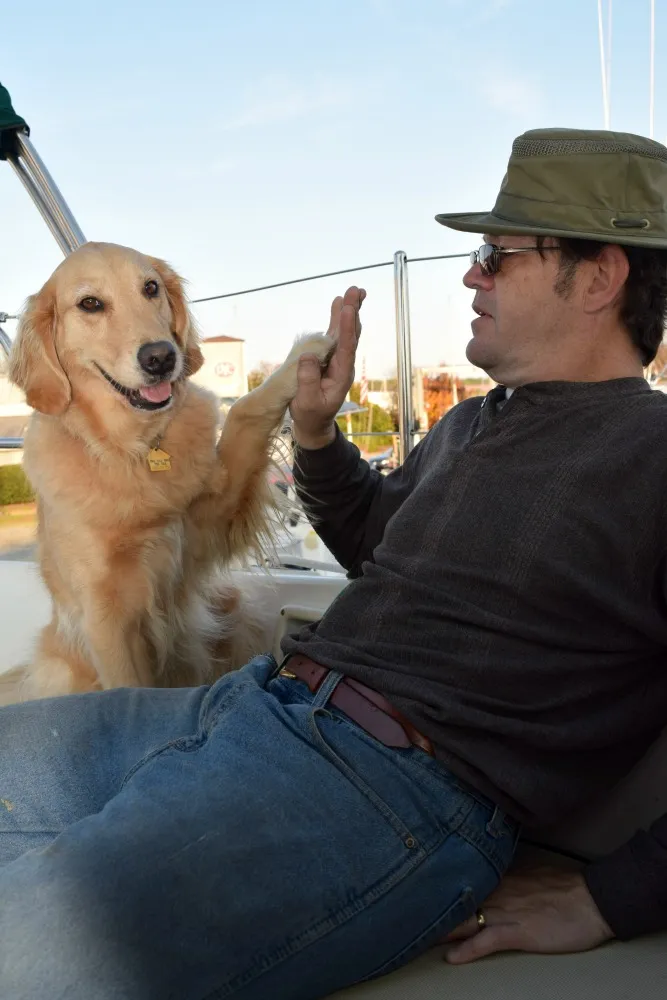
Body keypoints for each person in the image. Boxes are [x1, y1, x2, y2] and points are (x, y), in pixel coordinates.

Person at [1, 127, 666, 999]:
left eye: (497, 255)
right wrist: (314, 429)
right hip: (255, 705)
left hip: (393, 787)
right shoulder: (470, 423)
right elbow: (373, 545)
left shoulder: (651, 453)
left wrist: (611, 897)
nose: (470, 274)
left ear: (601, 277)